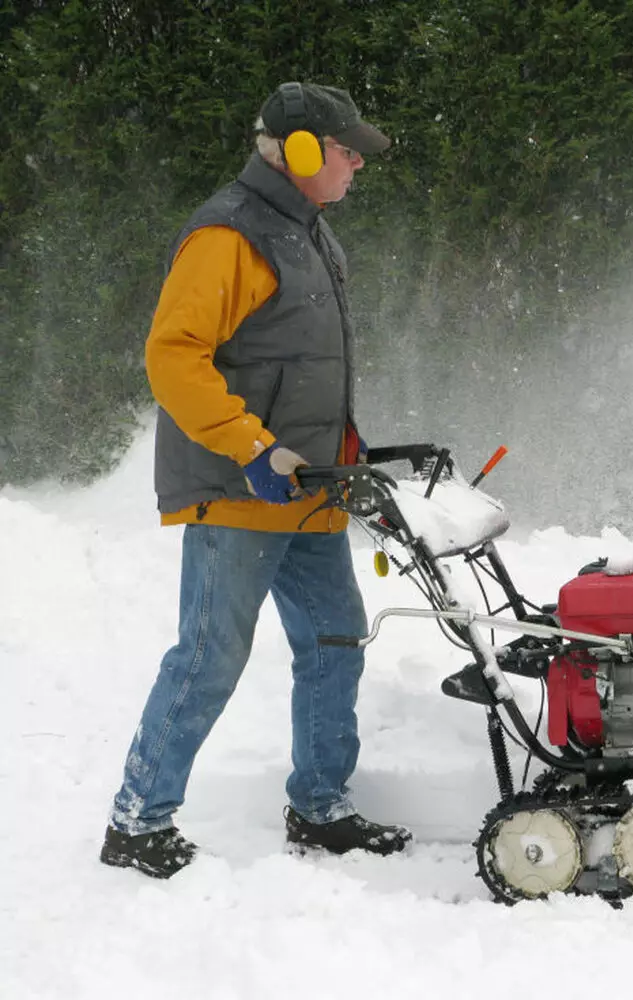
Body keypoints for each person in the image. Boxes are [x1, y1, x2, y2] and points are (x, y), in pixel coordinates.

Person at [99, 82, 411, 878]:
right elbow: (174, 356)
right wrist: (252, 448)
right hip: (242, 488)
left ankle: (320, 805)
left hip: (306, 492)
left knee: (337, 642)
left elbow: (298, 366)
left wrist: (342, 445)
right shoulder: (228, 234)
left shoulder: (309, 236)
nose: (355, 166)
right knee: (209, 658)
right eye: (347, 152)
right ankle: (137, 821)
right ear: (301, 153)